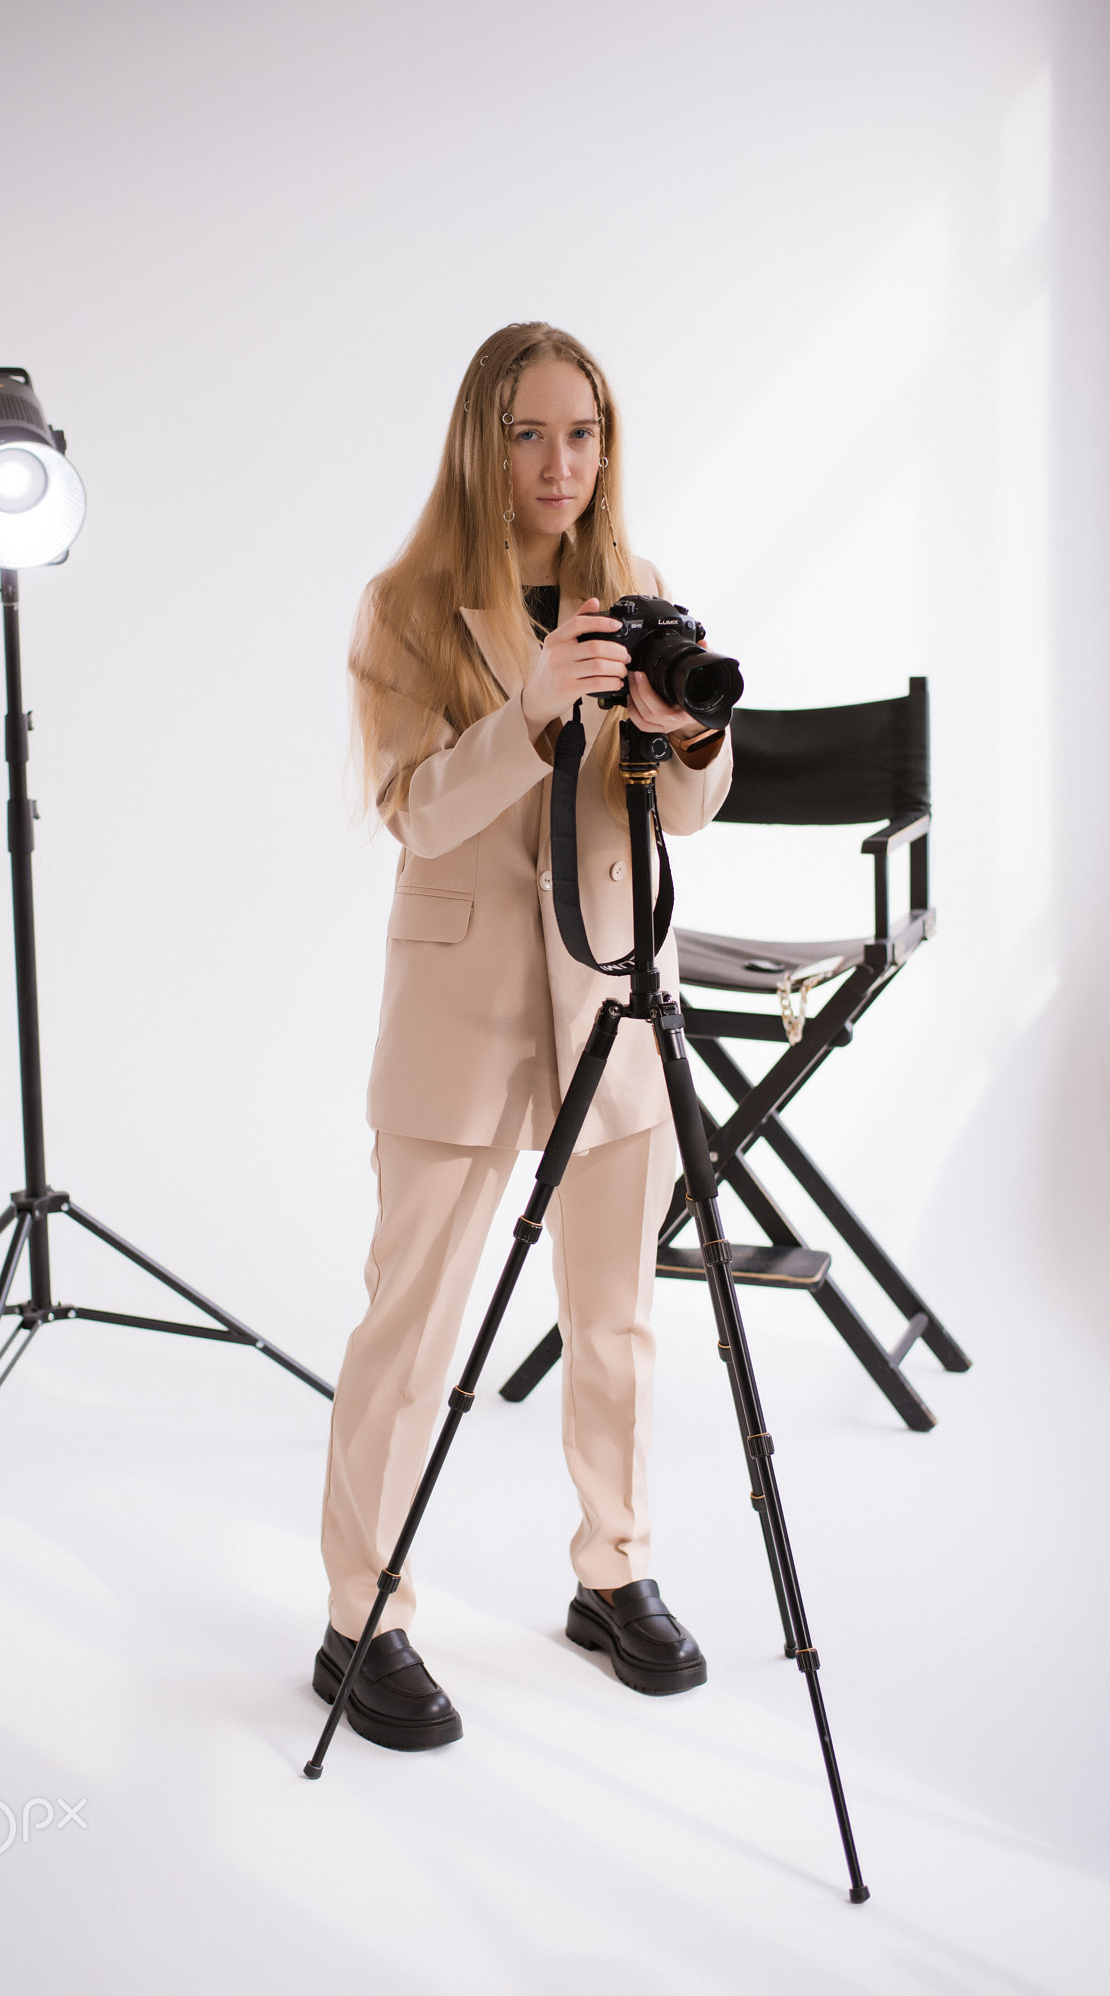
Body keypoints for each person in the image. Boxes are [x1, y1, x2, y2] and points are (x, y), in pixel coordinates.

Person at [315, 321, 733, 1751]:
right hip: (468, 1005)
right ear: (480, 443)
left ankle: (613, 1570)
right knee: (414, 1327)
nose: (561, 463)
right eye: (528, 433)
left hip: (611, 994)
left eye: (584, 432)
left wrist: (683, 731)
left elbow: (680, 812)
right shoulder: (409, 605)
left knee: (614, 1318)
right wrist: (533, 708)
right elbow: (415, 811)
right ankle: (360, 1612)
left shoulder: (640, 588)